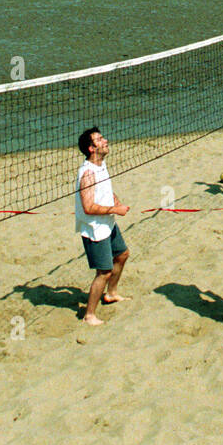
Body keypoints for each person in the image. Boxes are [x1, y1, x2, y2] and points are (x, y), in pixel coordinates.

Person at [76, 127, 131, 325]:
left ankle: (111, 293)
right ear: (91, 148)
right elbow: (88, 206)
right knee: (104, 272)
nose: (105, 140)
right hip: (95, 229)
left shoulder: (101, 164)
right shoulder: (88, 174)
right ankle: (89, 315)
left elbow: (106, 189)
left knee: (122, 254)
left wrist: (116, 202)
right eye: (100, 139)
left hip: (107, 223)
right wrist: (115, 210)